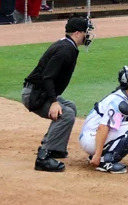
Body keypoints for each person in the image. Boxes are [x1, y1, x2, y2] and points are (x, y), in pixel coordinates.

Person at [21, 16, 95, 172]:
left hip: (38, 92)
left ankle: (55, 147)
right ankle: (43, 157)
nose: (88, 35)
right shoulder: (65, 50)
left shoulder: (68, 46)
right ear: (77, 33)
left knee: (70, 106)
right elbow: (47, 77)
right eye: (86, 32)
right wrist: (54, 102)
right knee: (66, 113)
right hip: (34, 94)